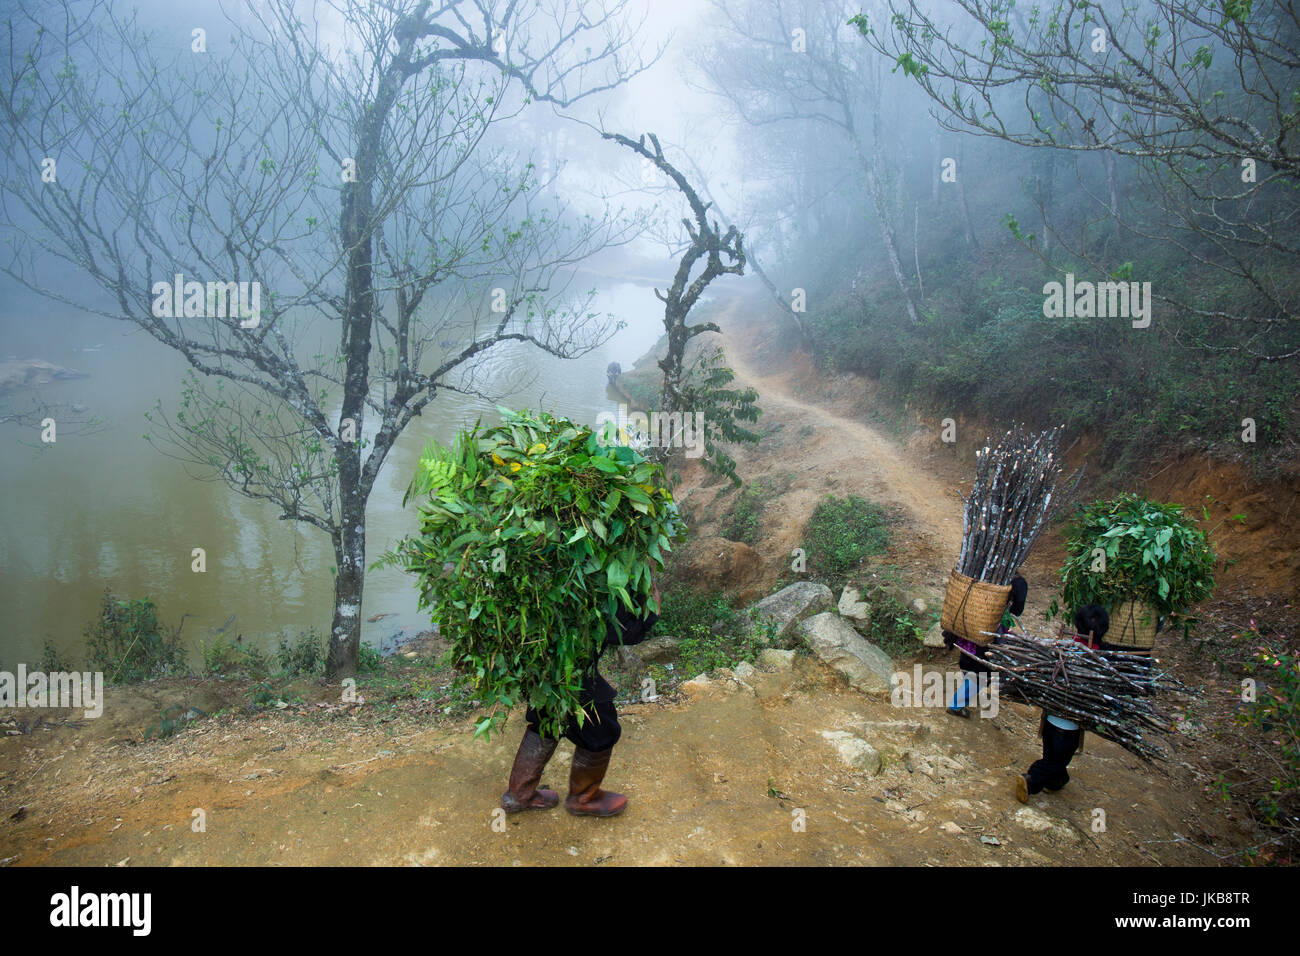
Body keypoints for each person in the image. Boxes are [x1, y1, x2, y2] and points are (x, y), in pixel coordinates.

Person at [500, 579, 660, 818]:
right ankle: (584, 798)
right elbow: (626, 632)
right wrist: (652, 604)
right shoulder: (593, 579)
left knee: (546, 719)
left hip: (541, 666)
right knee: (602, 730)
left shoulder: (544, 566)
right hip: (573, 671)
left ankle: (518, 795)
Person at [1014, 604, 1109, 802]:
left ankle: (1057, 781)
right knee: (1057, 759)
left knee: (1053, 753)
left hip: (1051, 717)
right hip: (1070, 724)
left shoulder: (1064, 648)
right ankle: (1031, 781)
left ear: (1077, 625)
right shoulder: (1100, 660)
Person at [945, 576, 1028, 717]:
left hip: (970, 621)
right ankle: (956, 705)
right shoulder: (1017, 582)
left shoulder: (983, 574)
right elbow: (1017, 609)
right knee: (982, 670)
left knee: (970, 659)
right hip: (991, 628)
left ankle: (966, 690)